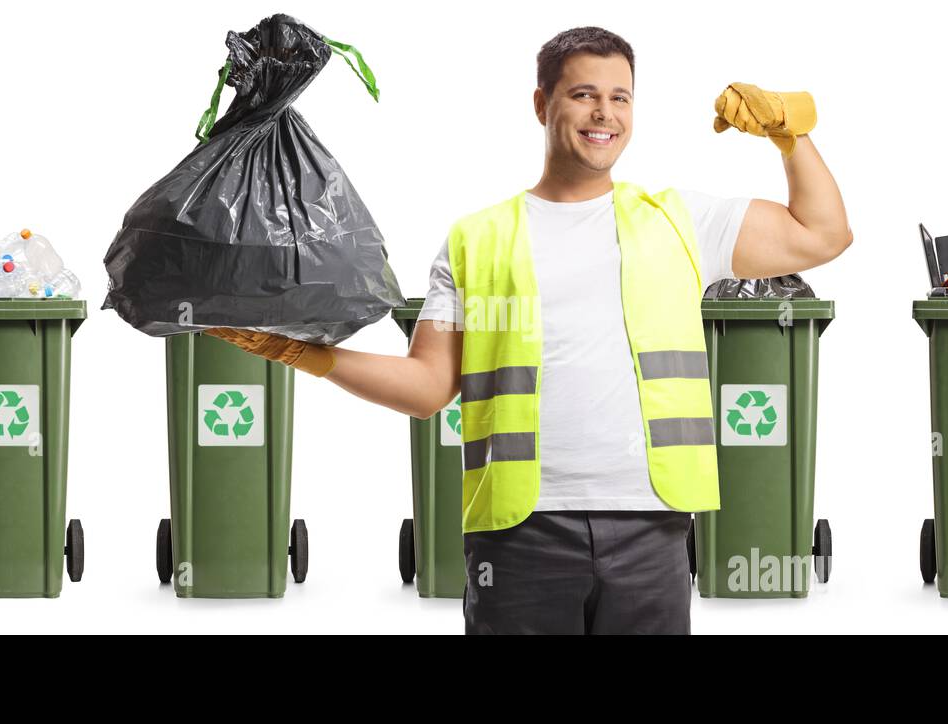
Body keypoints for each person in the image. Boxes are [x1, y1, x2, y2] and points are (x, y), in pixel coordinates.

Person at [208, 26, 852, 634]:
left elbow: (822, 234)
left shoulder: (680, 220)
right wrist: (302, 354)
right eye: (583, 95)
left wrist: (790, 136)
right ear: (542, 104)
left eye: (619, 97)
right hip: (519, 530)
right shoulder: (475, 240)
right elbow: (429, 386)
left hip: (652, 525)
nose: (605, 113)